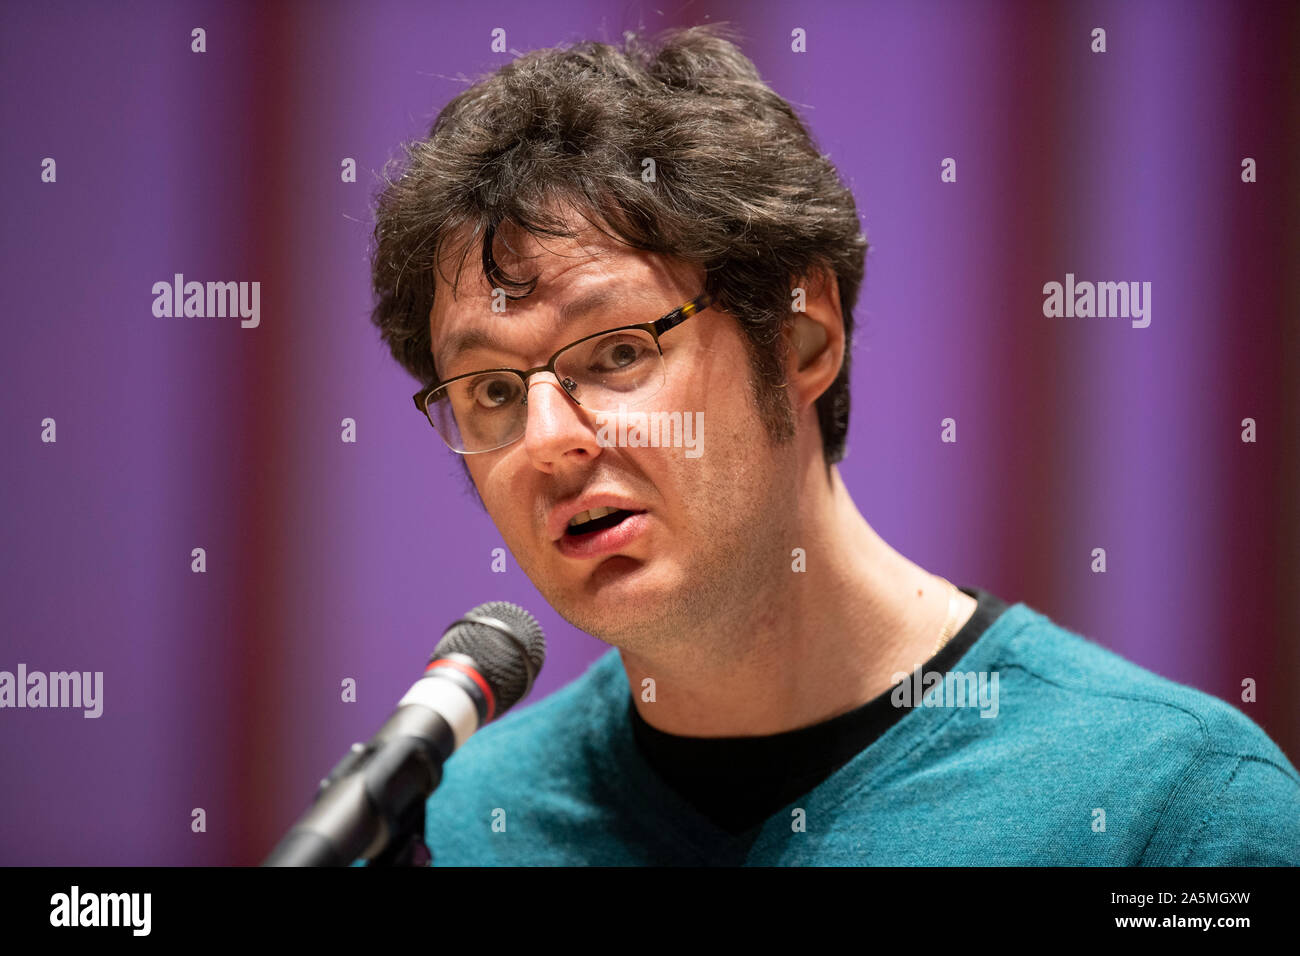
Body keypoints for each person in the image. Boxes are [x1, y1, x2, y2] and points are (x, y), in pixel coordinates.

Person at [366, 24, 1300, 865]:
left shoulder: (1172, 811)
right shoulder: (458, 823)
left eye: (616, 352)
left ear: (800, 335)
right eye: (491, 390)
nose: (548, 442)